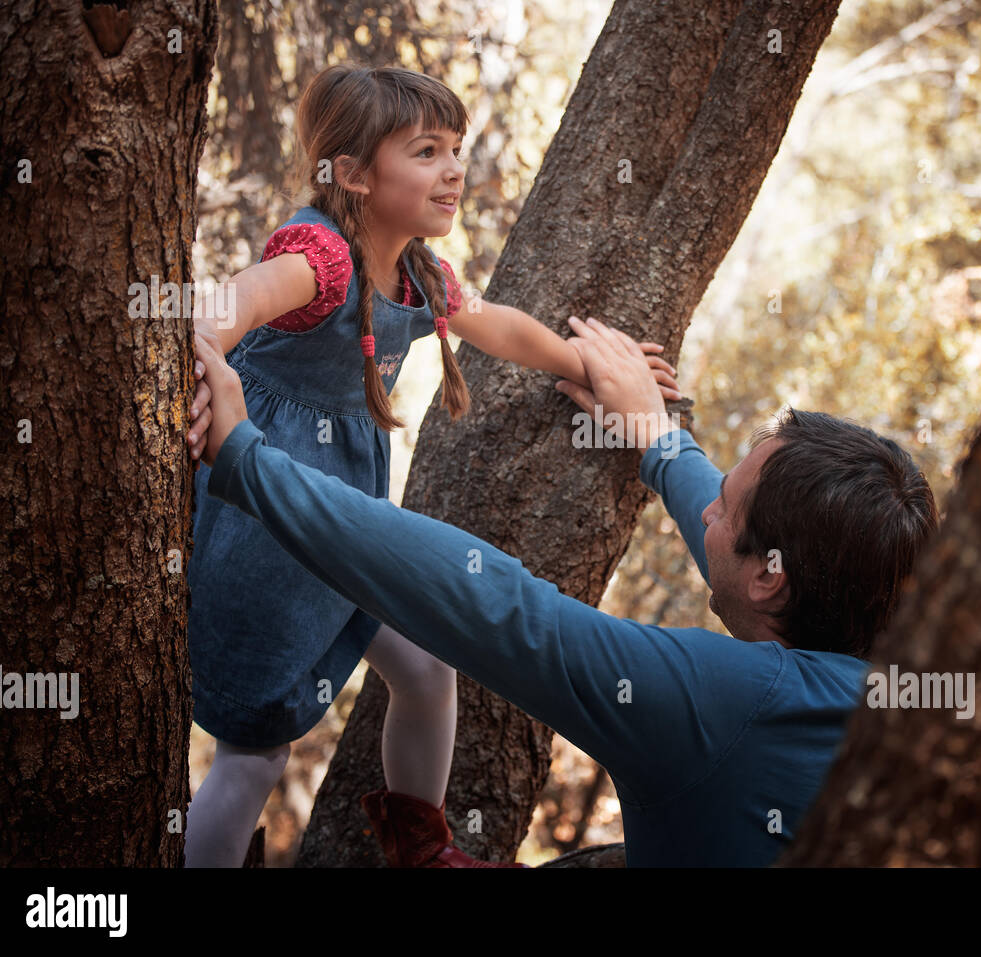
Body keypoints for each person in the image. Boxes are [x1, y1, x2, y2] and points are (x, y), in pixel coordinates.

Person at [185, 316, 939, 867]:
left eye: (724, 507)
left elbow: (500, 608)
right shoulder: (908, 663)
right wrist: (657, 437)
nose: (706, 507)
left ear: (771, 575)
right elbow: (742, 564)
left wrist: (248, 462)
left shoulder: (726, 704)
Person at [182, 64, 682, 868]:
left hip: (346, 517)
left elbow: (504, 330)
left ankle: (420, 844)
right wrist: (207, 346)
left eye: (456, 148)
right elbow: (237, 300)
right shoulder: (323, 259)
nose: (453, 169)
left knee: (424, 663)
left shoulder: (415, 271)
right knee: (255, 751)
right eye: (425, 151)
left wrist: (594, 369)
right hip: (269, 514)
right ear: (351, 173)